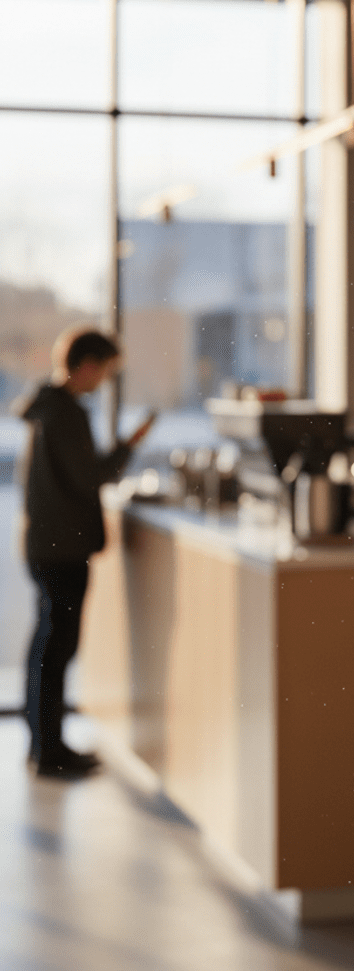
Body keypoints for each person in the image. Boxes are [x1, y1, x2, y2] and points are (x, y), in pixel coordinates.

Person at [18, 328, 154, 779]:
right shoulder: (65, 415)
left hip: (46, 543)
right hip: (62, 548)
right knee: (56, 648)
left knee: (47, 646)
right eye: (108, 371)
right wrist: (131, 443)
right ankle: (50, 750)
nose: (105, 381)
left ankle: (42, 745)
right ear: (90, 365)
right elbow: (91, 475)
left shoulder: (46, 410)